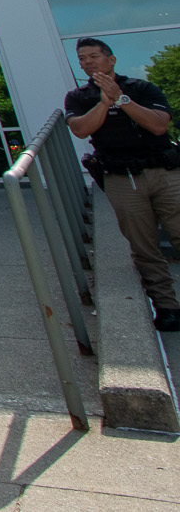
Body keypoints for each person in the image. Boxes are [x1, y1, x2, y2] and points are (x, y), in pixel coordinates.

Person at [65, 37, 180, 331]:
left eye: (93, 56)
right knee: (144, 246)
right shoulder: (78, 97)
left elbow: (158, 125)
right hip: (120, 177)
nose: (88, 62)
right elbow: (80, 130)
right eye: (82, 58)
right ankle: (168, 308)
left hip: (164, 172)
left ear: (111, 59)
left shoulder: (142, 88)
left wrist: (122, 99)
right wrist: (105, 103)